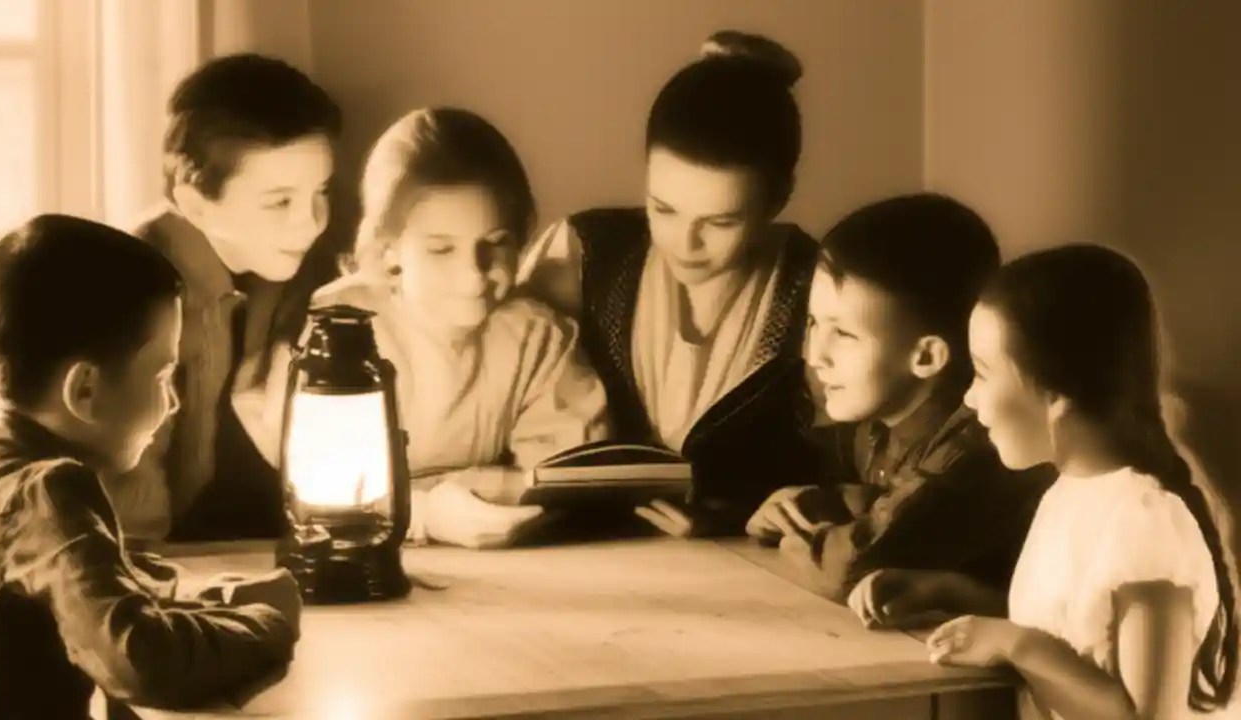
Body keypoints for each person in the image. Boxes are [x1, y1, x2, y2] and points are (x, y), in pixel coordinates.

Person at [856, 245, 1238, 718]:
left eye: (982, 373)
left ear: (1057, 393)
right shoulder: (1068, 494)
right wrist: (950, 592)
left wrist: (1017, 644)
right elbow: (1081, 631)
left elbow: (1146, 716)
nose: (970, 400)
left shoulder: (1144, 521)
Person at [0, 215, 301, 718]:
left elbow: (83, 586)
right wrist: (269, 624)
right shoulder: (49, 492)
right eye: (163, 375)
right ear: (85, 391)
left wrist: (199, 597)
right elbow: (142, 658)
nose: (175, 402)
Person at [244, 107, 610, 549]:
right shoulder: (339, 328)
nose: (474, 275)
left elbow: (558, 475)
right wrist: (423, 513)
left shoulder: (536, 336)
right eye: (441, 250)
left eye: (496, 244)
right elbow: (318, 494)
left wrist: (505, 495)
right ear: (389, 249)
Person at [518, 31, 821, 537]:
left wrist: (737, 514)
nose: (686, 242)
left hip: (745, 574)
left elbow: (850, 471)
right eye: (663, 209)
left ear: (778, 199)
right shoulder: (584, 254)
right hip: (576, 554)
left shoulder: (819, 288)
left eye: (721, 222)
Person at [746, 194, 1053, 602]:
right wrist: (804, 506)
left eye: (844, 334)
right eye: (814, 323)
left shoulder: (976, 446)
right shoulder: (875, 423)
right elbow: (881, 504)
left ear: (925, 356)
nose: (814, 354)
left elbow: (853, 566)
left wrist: (798, 536)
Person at [104, 53, 344, 543]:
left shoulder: (285, 268)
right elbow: (126, 511)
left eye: (321, 191)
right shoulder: (130, 291)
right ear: (194, 203)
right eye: (280, 201)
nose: (311, 221)